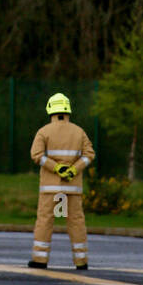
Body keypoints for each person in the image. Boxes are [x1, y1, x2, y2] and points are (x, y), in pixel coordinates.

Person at [28, 92, 95, 270]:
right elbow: (89, 155)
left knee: (45, 220)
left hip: (51, 189)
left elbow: (36, 155)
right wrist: (74, 169)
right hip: (72, 188)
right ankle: (81, 261)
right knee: (76, 221)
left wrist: (55, 167)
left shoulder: (44, 132)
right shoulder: (79, 132)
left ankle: (40, 260)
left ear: (50, 110)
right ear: (68, 110)